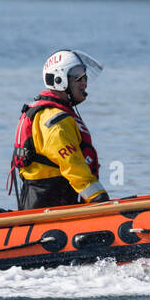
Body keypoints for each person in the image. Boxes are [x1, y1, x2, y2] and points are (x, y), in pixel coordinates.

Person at [8, 50, 110, 209]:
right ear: (59, 79)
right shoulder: (56, 122)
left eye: (85, 76)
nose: (84, 82)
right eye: (78, 76)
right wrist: (100, 199)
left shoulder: (53, 114)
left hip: (51, 204)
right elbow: (73, 166)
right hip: (47, 208)